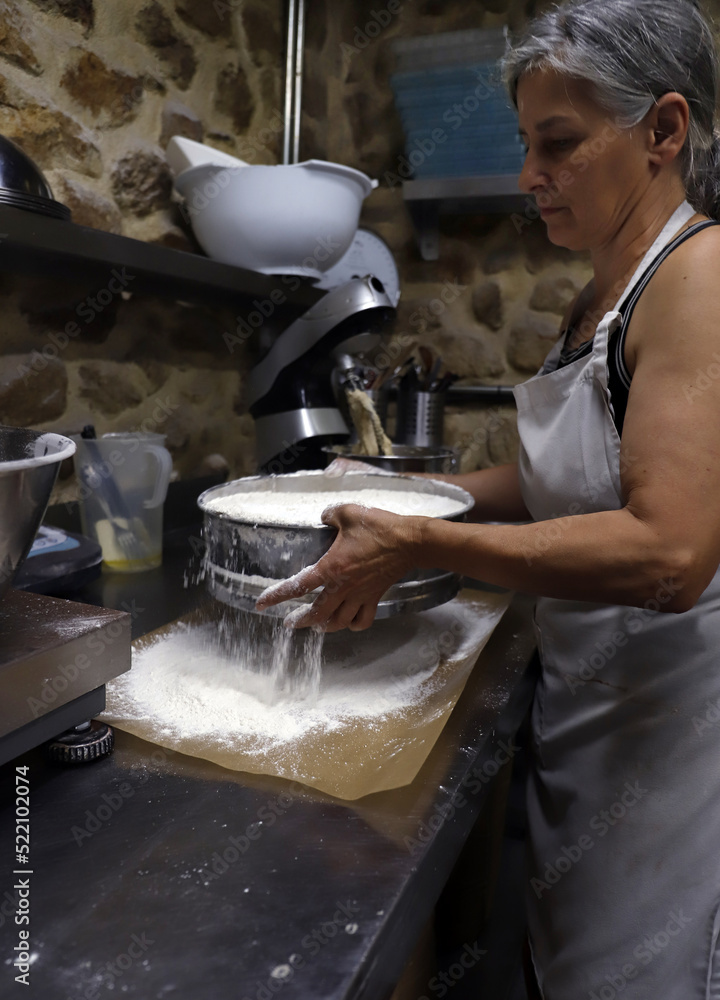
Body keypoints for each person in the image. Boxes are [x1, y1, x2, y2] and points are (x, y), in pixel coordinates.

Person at [257, 0, 720, 994]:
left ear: (663, 131)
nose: (528, 178)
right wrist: (405, 494)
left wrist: (418, 548)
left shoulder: (701, 278)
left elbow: (671, 553)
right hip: (594, 709)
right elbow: (568, 478)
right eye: (524, 144)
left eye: (558, 144)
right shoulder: (600, 292)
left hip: (677, 738)